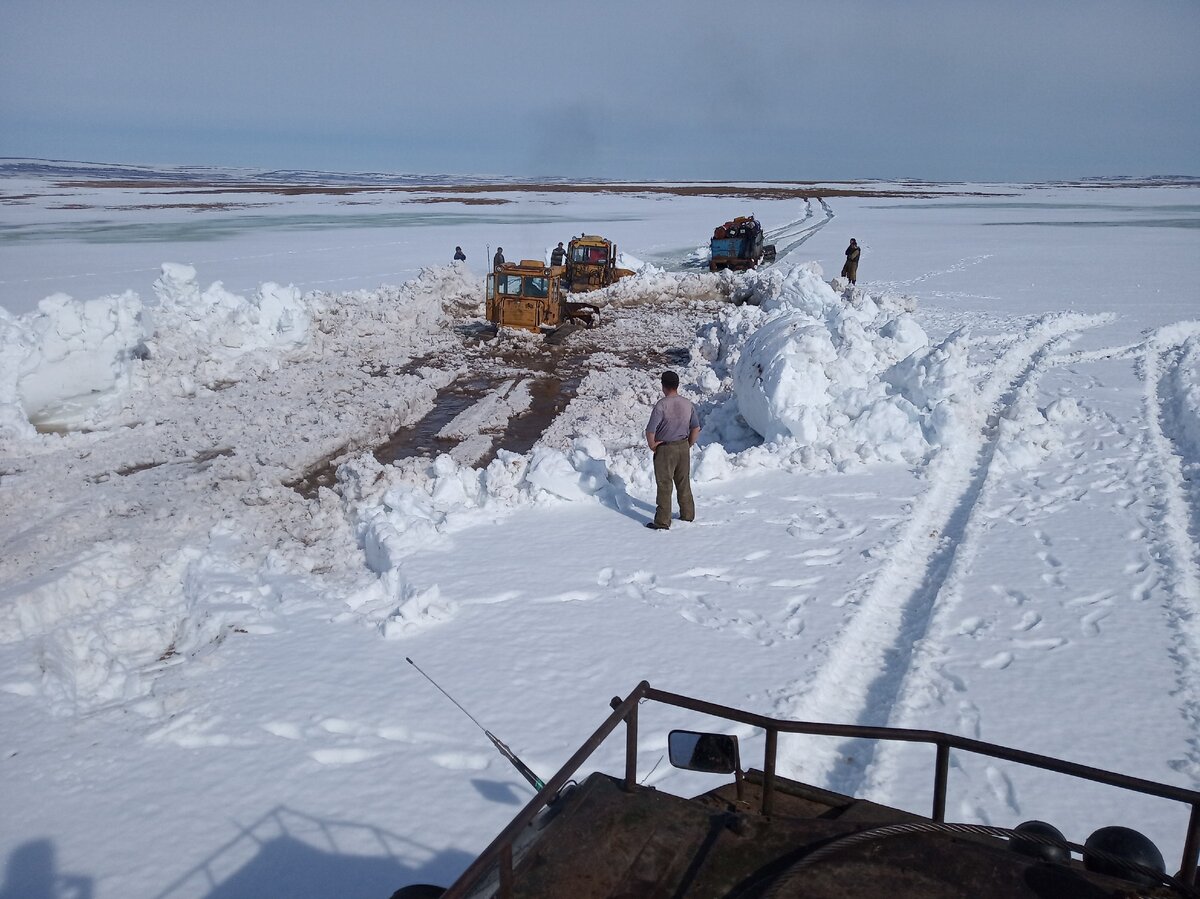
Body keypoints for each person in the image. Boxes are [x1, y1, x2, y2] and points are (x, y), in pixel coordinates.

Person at [644, 370, 701, 530]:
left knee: (664, 485)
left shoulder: (662, 405)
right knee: (683, 482)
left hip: (665, 449)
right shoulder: (687, 403)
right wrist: (688, 444)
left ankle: (662, 521)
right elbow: (696, 428)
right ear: (677, 385)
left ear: (664, 386)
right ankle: (688, 514)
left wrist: (652, 445)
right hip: (683, 447)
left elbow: (650, 431)